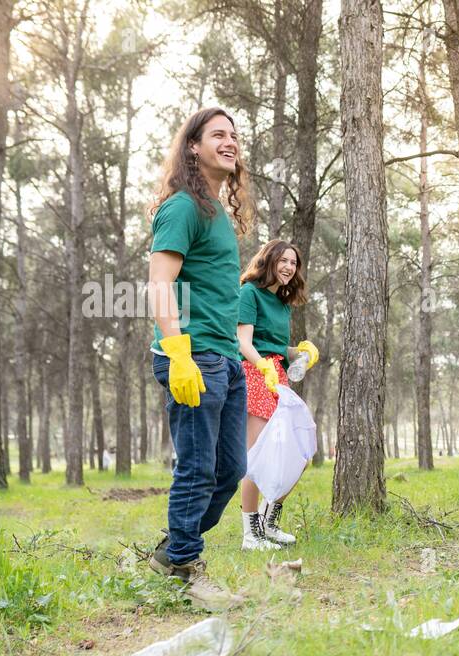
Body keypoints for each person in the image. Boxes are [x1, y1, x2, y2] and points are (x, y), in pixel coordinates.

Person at [145, 107, 252, 610]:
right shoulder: (184, 206)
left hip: (224, 356)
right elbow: (159, 285)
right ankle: (185, 567)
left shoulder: (217, 212)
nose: (230, 142)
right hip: (193, 355)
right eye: (218, 135)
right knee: (197, 468)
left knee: (231, 469)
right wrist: (177, 352)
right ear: (193, 146)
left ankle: (171, 551)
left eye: (234, 135)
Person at [235, 239, 319, 550]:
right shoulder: (249, 293)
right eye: (283, 260)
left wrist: (302, 351)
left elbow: (274, 345)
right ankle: (250, 534)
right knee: (257, 457)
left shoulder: (282, 304)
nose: (288, 267)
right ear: (269, 260)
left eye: (293, 263)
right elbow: (244, 341)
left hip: (277, 376)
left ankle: (269, 523)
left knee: (298, 452)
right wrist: (262, 367)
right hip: (254, 374)